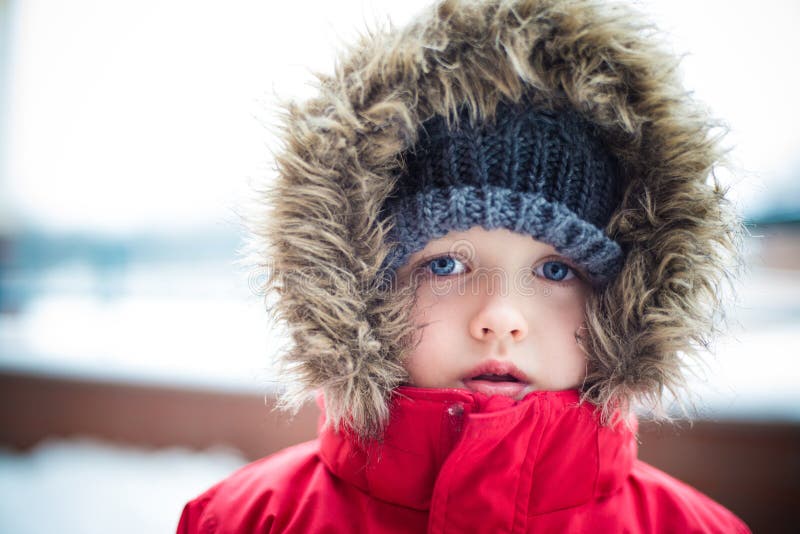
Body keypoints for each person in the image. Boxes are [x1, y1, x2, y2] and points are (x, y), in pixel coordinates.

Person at [177, 0, 751, 531]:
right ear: (363, 291)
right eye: (446, 265)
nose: (500, 318)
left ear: (624, 302)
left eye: (555, 271)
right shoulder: (245, 521)